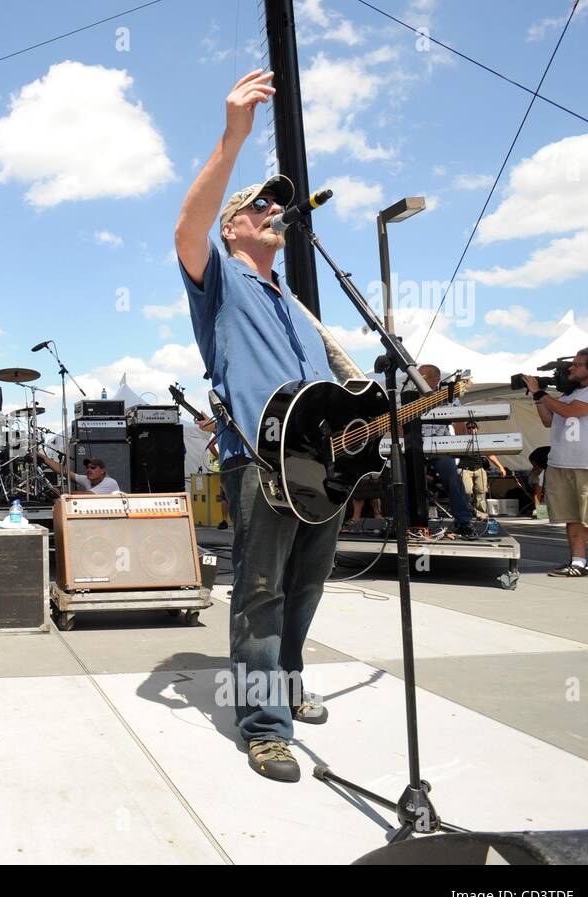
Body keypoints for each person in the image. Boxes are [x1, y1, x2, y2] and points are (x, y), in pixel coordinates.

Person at [174, 68, 362, 783]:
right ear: (232, 226)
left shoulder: (298, 305)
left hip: (321, 465)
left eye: (277, 208)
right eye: (259, 206)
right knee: (260, 591)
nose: (273, 213)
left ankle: (285, 683)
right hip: (258, 460)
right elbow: (188, 226)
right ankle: (262, 725)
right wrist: (233, 138)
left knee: (308, 586)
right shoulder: (218, 275)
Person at [522, 345, 588, 580]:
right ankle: (578, 562)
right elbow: (548, 420)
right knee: (573, 516)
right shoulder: (569, 394)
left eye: (577, 364)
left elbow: (571, 412)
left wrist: (540, 393)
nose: (571, 368)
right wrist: (538, 398)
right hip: (562, 464)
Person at [412, 364, 478, 540]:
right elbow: (401, 427)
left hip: (441, 447)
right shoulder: (408, 397)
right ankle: (406, 521)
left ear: (436, 380)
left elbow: (460, 423)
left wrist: (458, 447)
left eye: (424, 377)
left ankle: (464, 522)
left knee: (451, 477)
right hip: (415, 446)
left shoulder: (448, 398)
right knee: (403, 476)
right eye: (418, 377)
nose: (420, 380)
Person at [456, 421, 508, 520]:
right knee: (466, 491)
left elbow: (490, 454)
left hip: (479, 469)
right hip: (465, 469)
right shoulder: (461, 439)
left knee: (481, 492)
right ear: (466, 429)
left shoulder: (481, 440)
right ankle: (465, 514)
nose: (471, 429)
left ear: (477, 429)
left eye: (473, 427)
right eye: (469, 428)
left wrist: (500, 466)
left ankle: (481, 514)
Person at [37, 453, 120, 494]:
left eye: (93, 467)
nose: (89, 470)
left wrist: (62, 493)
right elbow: (64, 472)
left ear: (103, 471)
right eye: (87, 467)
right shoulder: (87, 479)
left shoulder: (109, 482)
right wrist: (44, 459)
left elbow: (86, 496)